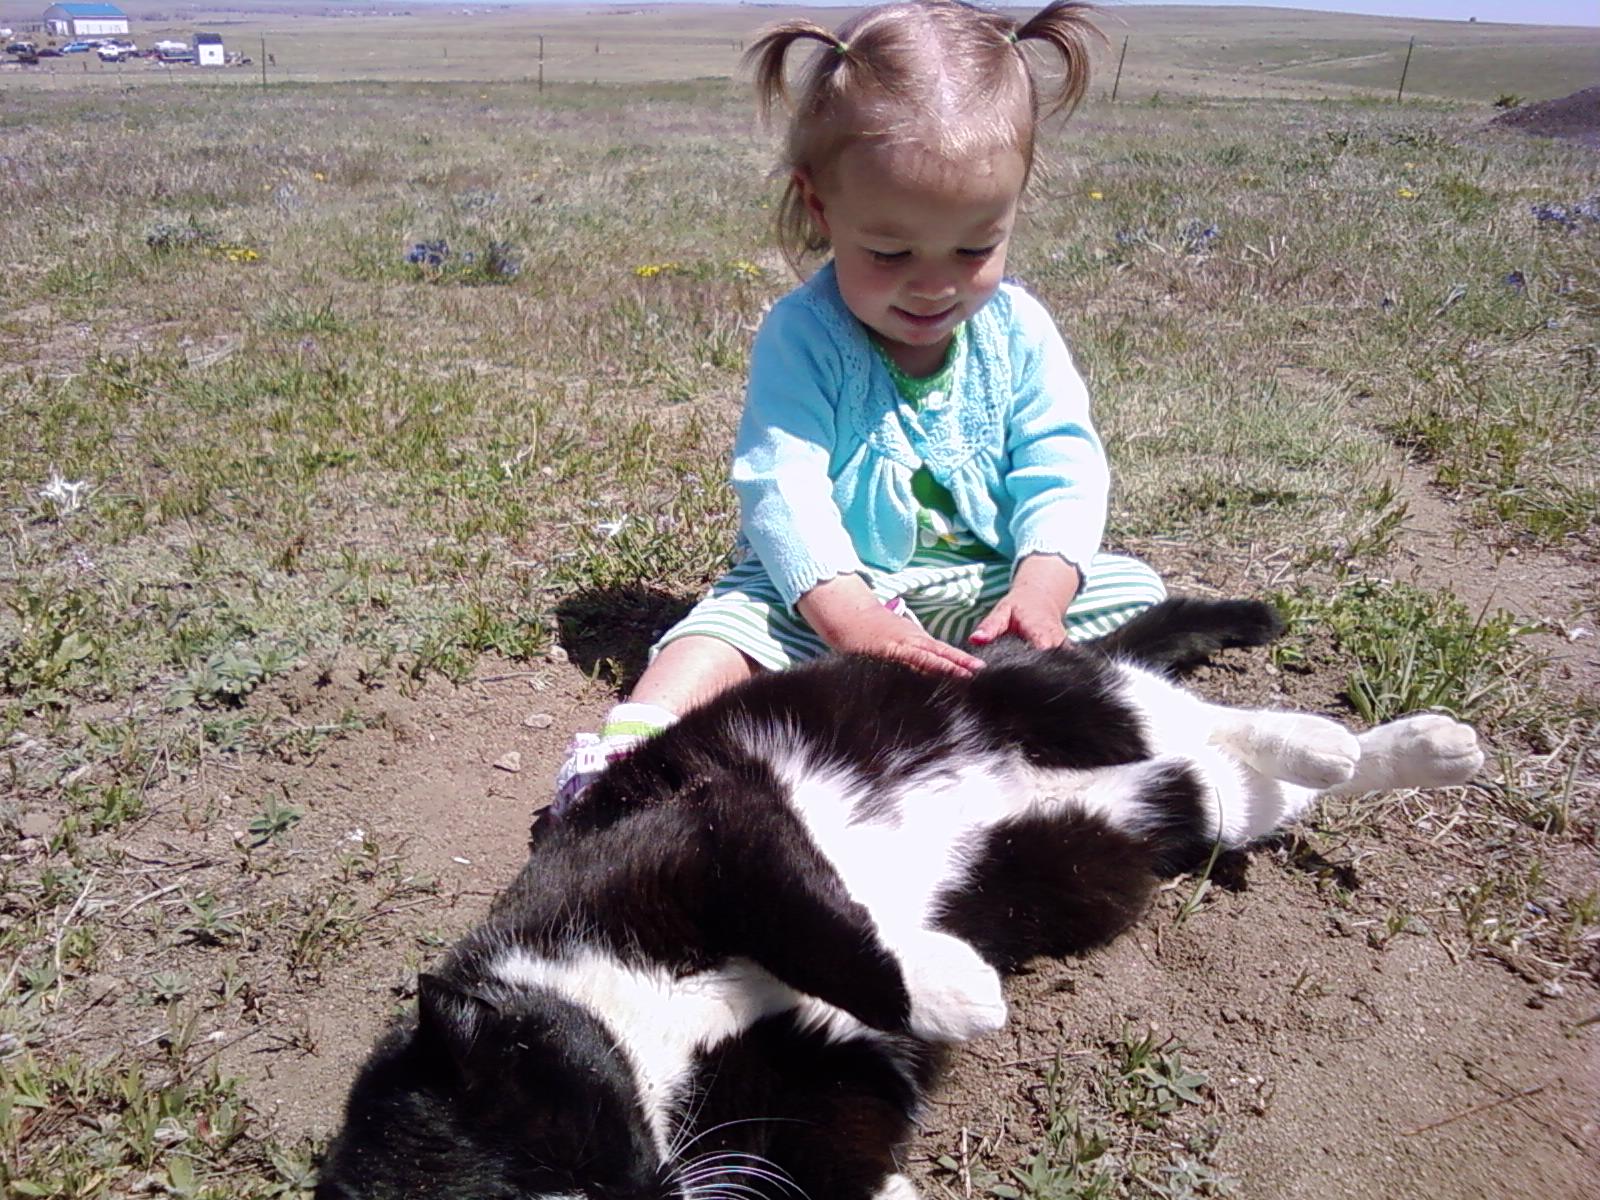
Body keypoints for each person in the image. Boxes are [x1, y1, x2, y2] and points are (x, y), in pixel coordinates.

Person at [554, 0, 1165, 806]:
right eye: (890, 251)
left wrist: (1040, 590)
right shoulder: (804, 334)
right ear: (820, 207)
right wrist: (856, 622)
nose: (936, 283)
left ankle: (956, 702)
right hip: (827, 598)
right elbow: (783, 487)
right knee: (723, 631)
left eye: (976, 247)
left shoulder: (1019, 331)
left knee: (1134, 590)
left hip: (972, 591)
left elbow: (1063, 464)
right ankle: (631, 761)